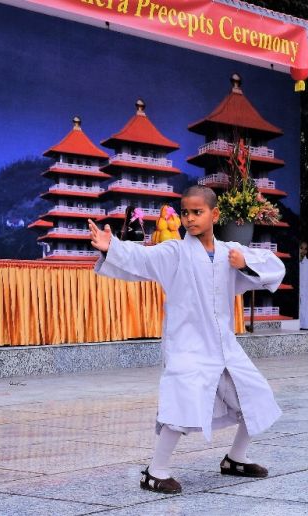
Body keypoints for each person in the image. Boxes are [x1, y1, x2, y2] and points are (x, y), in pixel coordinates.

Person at [88, 185, 285, 494]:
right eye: (185, 213)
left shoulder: (230, 252)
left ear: (214, 215)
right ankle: (155, 471)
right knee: (180, 406)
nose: (190, 218)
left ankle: (235, 457)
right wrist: (110, 246)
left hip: (224, 347)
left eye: (197, 212)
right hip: (189, 347)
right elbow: (141, 258)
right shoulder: (175, 252)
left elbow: (274, 267)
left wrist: (244, 264)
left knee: (256, 397)